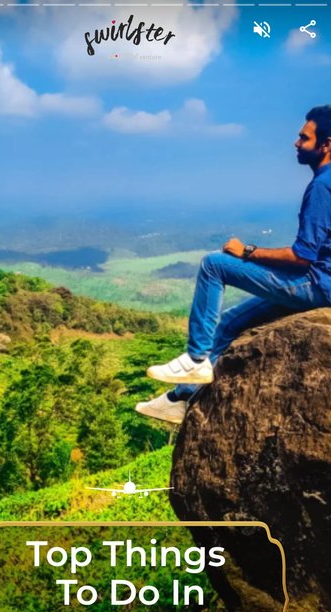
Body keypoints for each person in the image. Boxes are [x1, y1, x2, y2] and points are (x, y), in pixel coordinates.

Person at [136, 105, 331, 424]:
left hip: (317, 285)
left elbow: (302, 256)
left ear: (326, 144)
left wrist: (247, 251)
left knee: (214, 264)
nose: (296, 143)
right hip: (321, 282)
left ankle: (196, 358)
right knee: (228, 322)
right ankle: (181, 397)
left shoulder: (323, 185)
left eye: (304, 137)